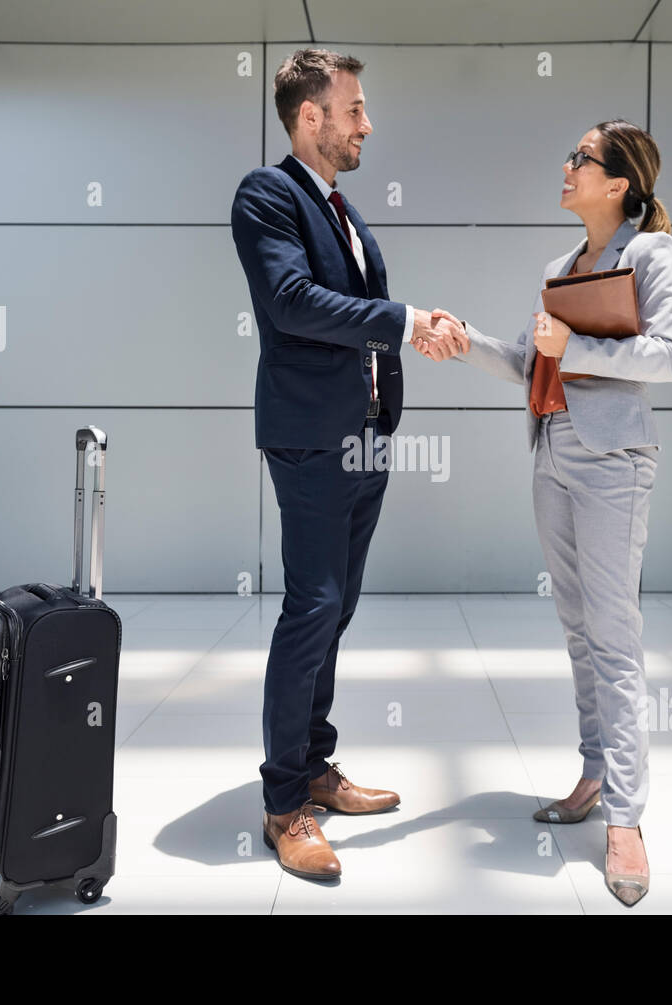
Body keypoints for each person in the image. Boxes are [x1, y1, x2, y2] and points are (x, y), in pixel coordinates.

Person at [421, 119, 672, 906]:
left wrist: (569, 348)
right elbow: (527, 357)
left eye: (580, 158)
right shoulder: (562, 265)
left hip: (613, 462)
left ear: (617, 183)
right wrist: (460, 337)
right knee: (579, 628)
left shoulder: (651, 254)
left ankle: (628, 819)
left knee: (614, 635)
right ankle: (594, 773)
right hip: (553, 453)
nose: (566, 166)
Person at [229, 48, 468, 881]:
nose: (367, 122)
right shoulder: (269, 195)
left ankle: (315, 764)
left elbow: (359, 314)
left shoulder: (341, 209)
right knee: (312, 604)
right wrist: (405, 321)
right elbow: (293, 305)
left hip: (365, 432)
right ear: (310, 118)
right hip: (310, 437)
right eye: (354, 108)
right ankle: (283, 802)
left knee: (339, 607)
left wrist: (413, 325)